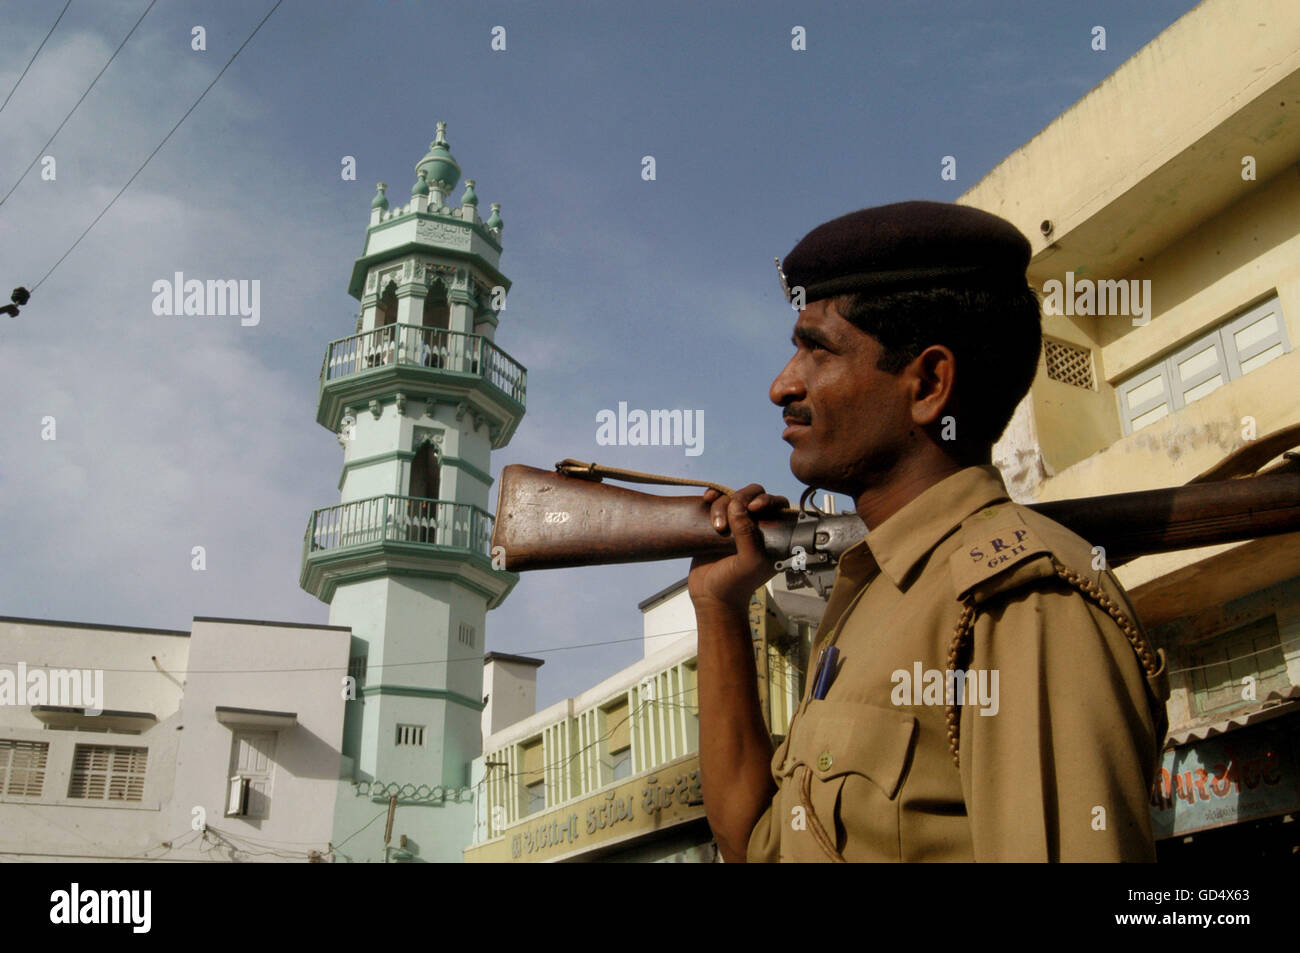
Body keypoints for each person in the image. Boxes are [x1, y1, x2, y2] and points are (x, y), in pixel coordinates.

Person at [688, 200, 1169, 862]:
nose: (781, 384)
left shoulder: (1020, 602)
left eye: (817, 349)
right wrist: (718, 608)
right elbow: (755, 843)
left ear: (929, 384)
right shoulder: (871, 595)